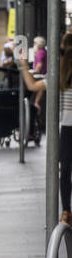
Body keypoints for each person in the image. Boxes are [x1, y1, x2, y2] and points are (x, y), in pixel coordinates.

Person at [59, 32, 72, 225]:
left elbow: (32, 84)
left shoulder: (60, 81)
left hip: (67, 128)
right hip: (67, 127)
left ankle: (66, 211)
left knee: (65, 170)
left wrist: (22, 64)